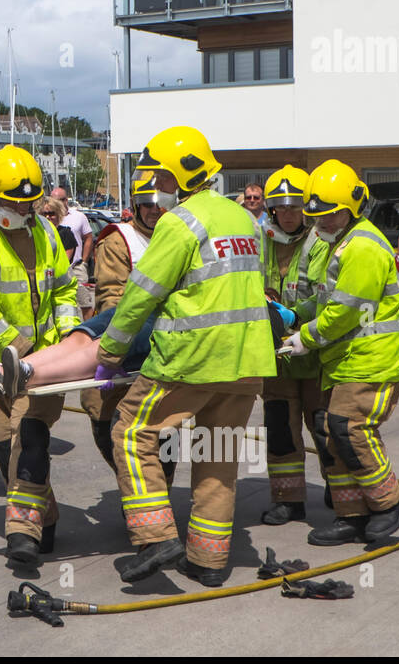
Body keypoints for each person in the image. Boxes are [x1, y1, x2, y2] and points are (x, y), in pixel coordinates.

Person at [95, 127, 275, 587]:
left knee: (132, 433)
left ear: (176, 175)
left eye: (158, 177)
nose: (155, 188)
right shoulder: (243, 219)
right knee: (217, 456)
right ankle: (208, 562)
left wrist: (111, 350)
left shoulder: (180, 223)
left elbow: (139, 295)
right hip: (247, 362)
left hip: (191, 359)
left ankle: (156, 538)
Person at [0, 144, 79, 566]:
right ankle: (48, 520)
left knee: (33, 440)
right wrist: (21, 353)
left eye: (29, 203)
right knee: (7, 449)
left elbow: (64, 290)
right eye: (12, 202)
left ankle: (21, 534)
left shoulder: (45, 233)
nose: (22, 211)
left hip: (43, 367)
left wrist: (68, 338)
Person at [283, 160, 399, 547]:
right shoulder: (340, 242)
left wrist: (305, 337)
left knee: (349, 427)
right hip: (349, 359)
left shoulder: (361, 247)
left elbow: (346, 311)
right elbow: (327, 300)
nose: (319, 223)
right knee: (330, 430)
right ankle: (351, 515)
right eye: (317, 216)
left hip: (374, 357)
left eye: (328, 215)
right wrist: (296, 314)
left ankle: (388, 502)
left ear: (350, 208)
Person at [257, 165, 331, 527]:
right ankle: (288, 500)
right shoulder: (260, 240)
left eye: (294, 206)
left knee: (325, 427)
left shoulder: (323, 240)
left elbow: (328, 298)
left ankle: (343, 493)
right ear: (271, 210)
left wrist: (292, 316)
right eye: (280, 208)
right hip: (277, 358)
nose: (287, 214)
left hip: (316, 353)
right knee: (280, 429)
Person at [78, 174, 164, 470]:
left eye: (160, 203)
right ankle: (140, 498)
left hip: (166, 353)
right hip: (127, 351)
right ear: (135, 205)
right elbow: (111, 300)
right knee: (112, 432)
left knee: (161, 438)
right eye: (146, 203)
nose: (154, 210)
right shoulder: (119, 239)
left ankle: (151, 498)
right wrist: (127, 345)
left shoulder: (176, 236)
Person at [51, 187, 95, 320]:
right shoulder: (46, 219)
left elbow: (88, 237)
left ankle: (88, 332)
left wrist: (84, 261)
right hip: (54, 270)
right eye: (54, 200)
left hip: (76, 266)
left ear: (66, 200)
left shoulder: (79, 217)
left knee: (84, 302)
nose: (58, 203)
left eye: (61, 200)